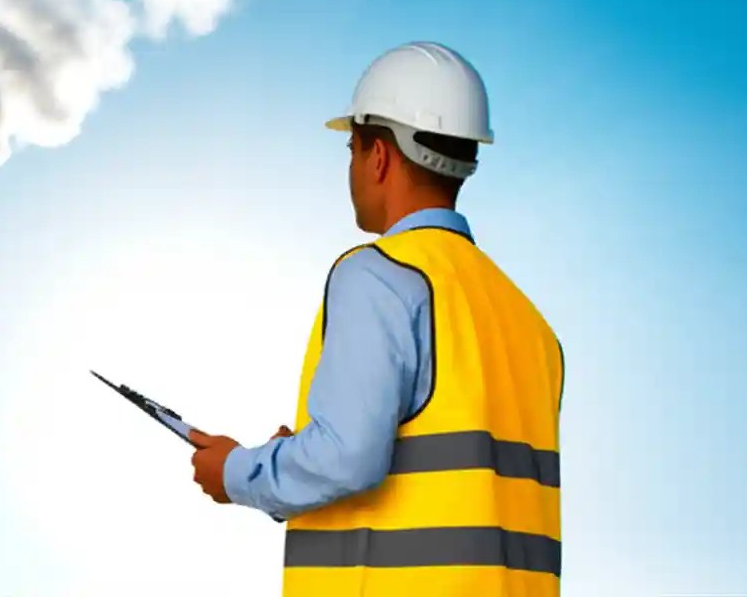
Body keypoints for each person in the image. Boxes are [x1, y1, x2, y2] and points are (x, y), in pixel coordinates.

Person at [188, 42, 565, 596]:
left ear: (379, 156)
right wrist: (293, 460)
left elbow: (349, 458)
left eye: (351, 147)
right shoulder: (530, 323)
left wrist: (237, 472)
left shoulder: (379, 274)